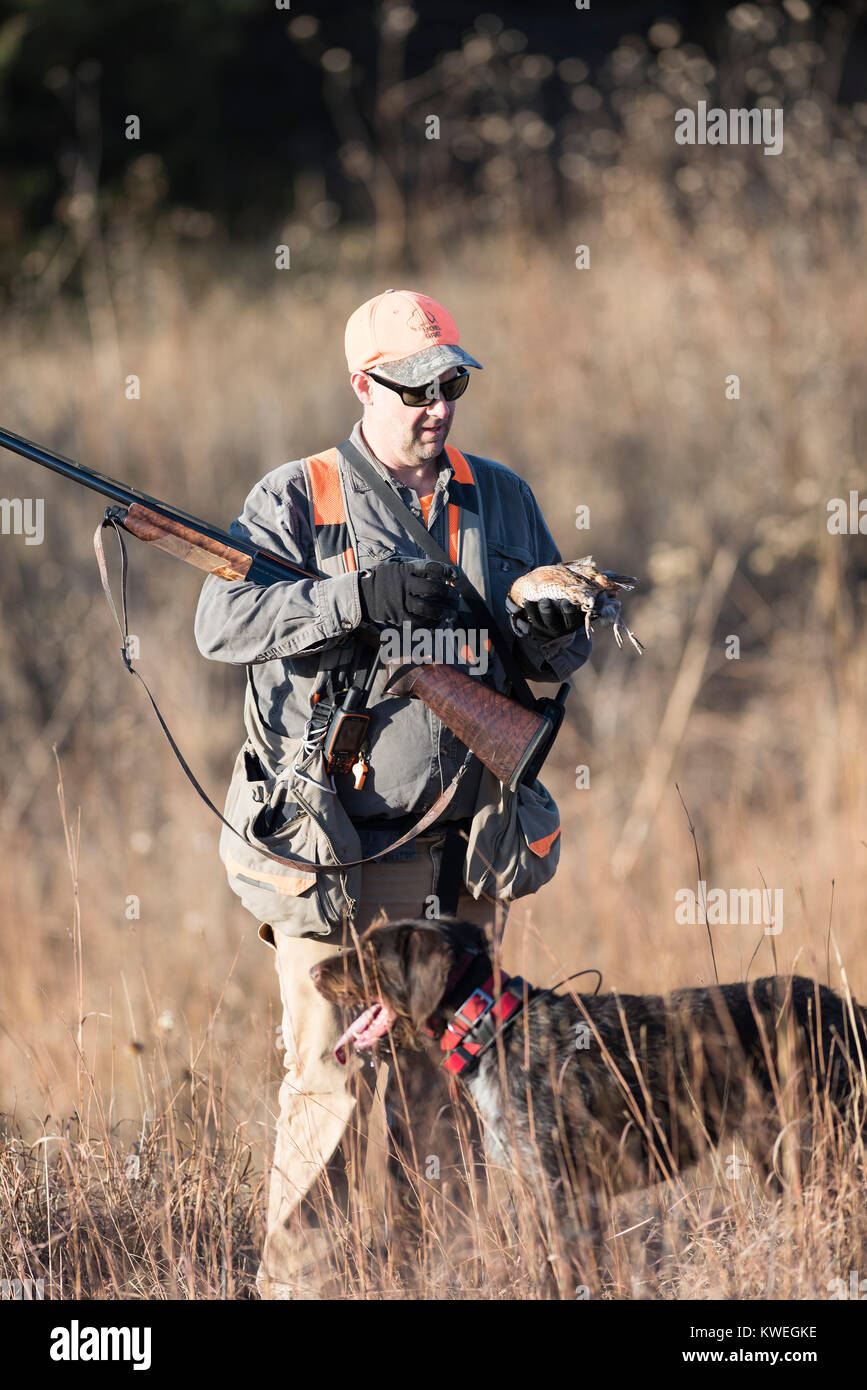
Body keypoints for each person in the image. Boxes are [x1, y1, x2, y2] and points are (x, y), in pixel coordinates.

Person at [194, 288, 592, 1297]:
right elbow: (219, 626)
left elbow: (560, 650)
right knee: (330, 1078)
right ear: (361, 384)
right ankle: (299, 1288)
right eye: (414, 386)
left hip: (461, 853)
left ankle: (445, 1280)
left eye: (451, 382)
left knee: (451, 1081)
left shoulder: (500, 497)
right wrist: (353, 597)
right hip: (333, 855)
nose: (437, 405)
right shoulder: (298, 495)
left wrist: (551, 631)